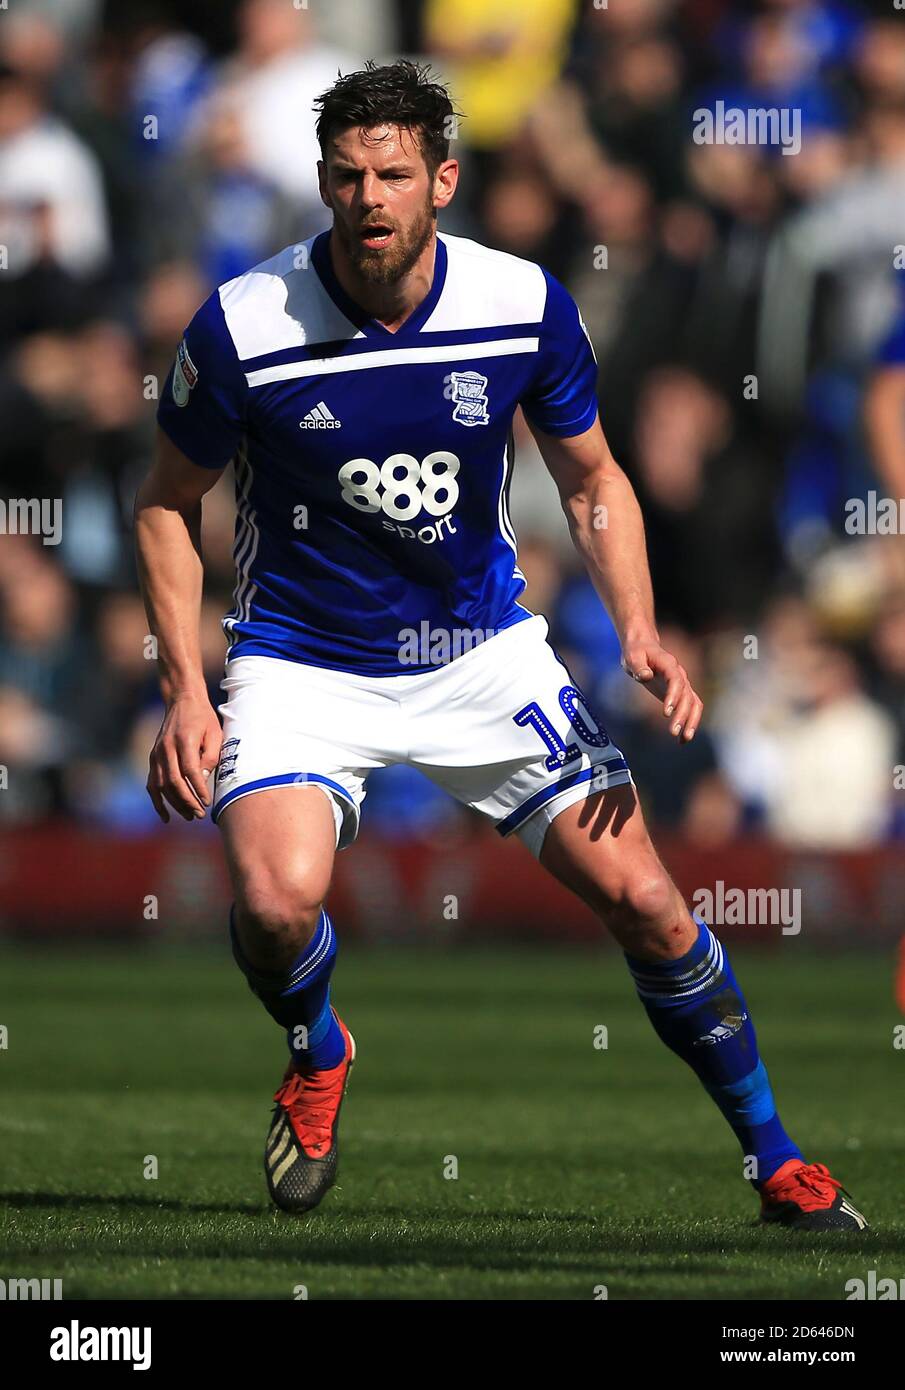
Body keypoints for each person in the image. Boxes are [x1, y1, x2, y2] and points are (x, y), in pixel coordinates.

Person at [135, 60, 866, 1230]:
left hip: (480, 652)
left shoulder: (518, 302)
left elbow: (592, 481)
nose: (368, 197)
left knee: (650, 904)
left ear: (443, 180)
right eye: (345, 175)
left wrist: (635, 623)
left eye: (391, 174)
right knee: (277, 906)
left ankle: (774, 1160)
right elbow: (166, 501)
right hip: (301, 658)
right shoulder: (242, 323)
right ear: (323, 182)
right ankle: (318, 1049)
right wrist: (184, 685)